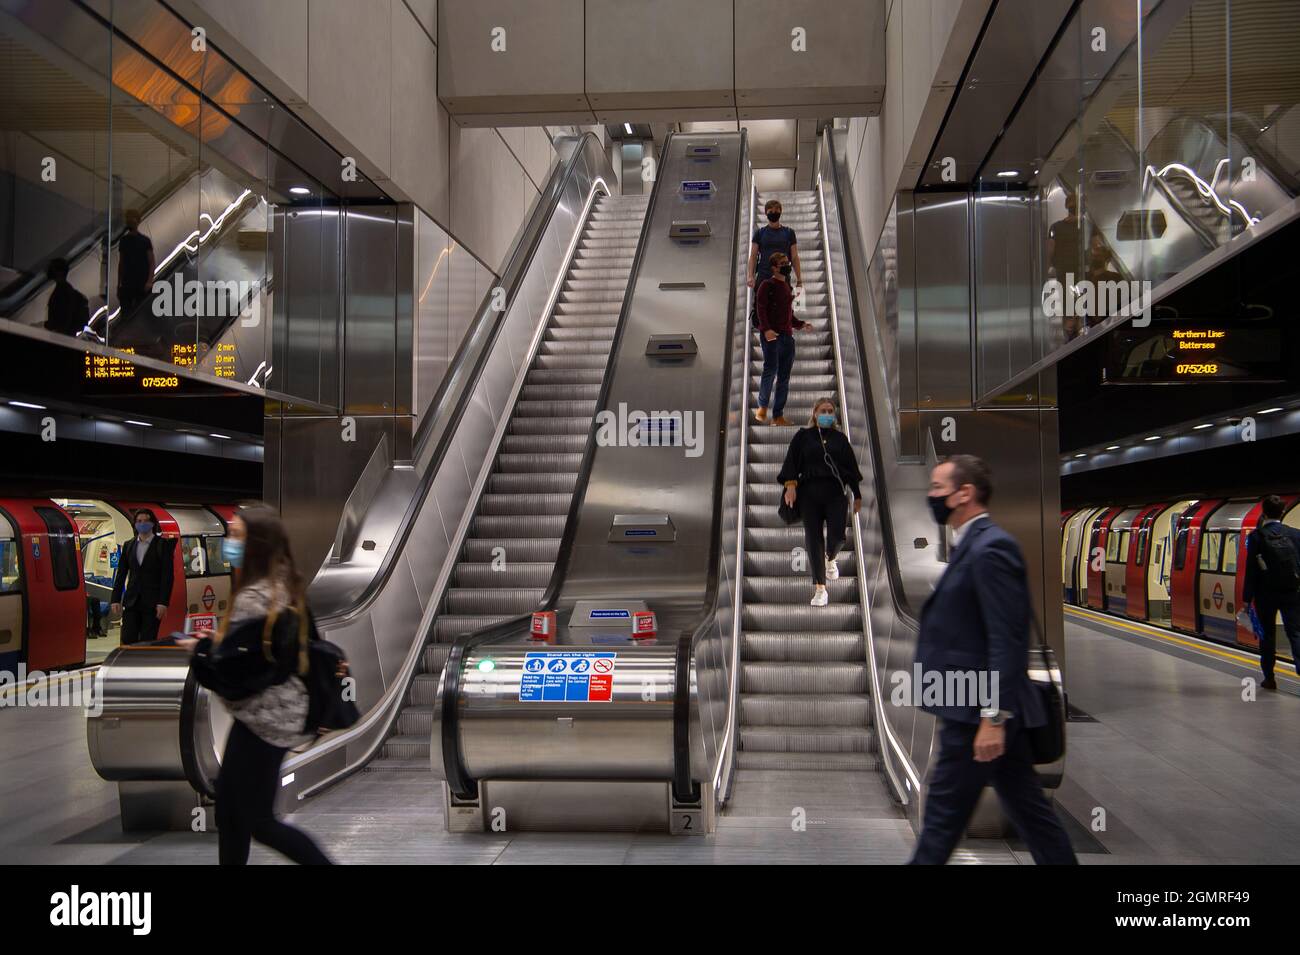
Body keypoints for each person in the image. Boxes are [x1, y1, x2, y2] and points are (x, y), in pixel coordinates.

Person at [909, 454, 1077, 865]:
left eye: (937, 488)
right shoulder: (974, 545)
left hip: (975, 715)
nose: (931, 496)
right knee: (1032, 816)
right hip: (982, 712)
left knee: (941, 825)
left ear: (963, 493)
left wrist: (992, 717)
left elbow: (1007, 640)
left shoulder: (991, 548)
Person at [183, 506, 333, 865]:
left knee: (257, 820)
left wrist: (201, 650)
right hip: (270, 716)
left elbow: (236, 673)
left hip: (265, 720)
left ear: (255, 546)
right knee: (232, 813)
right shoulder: (282, 585)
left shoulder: (254, 598)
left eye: (236, 535)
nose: (229, 542)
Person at [778, 398, 863, 607]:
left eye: (830, 411)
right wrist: (790, 487)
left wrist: (857, 494)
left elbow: (851, 469)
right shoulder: (803, 437)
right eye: (823, 410)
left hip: (835, 492)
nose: (827, 414)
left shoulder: (840, 439)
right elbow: (791, 462)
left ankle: (831, 559)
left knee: (838, 536)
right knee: (813, 539)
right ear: (814, 413)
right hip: (809, 493)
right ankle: (820, 589)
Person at [1242, 494, 1300, 690]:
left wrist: (1247, 599)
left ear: (1264, 513)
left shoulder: (1256, 537)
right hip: (1292, 592)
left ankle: (1269, 678)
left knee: (1267, 635)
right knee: (1296, 632)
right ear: (1283, 513)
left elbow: (1251, 571)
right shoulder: (1296, 535)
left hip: (1265, 594)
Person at [754, 251, 808, 425]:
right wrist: (766, 330)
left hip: (787, 337)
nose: (787, 266)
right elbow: (760, 309)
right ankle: (762, 406)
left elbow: (789, 315)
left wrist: (800, 324)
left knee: (784, 378)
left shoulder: (788, 288)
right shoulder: (766, 285)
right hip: (772, 336)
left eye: (787, 263)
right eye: (782, 264)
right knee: (770, 371)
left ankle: (778, 416)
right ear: (774, 268)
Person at [109, 508, 174, 645]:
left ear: (153, 524)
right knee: (128, 638)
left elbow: (167, 576)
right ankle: (129, 666)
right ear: (135, 524)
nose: (142, 524)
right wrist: (115, 599)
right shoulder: (128, 545)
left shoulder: (162, 545)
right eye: (139, 521)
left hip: (153, 603)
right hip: (132, 602)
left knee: (148, 640)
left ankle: (145, 665)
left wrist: (163, 602)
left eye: (146, 521)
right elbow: (121, 574)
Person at [747, 197, 802, 314]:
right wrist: (750, 276)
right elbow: (753, 256)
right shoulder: (760, 233)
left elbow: (795, 257)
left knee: (784, 311)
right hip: (763, 277)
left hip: (783, 277)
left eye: (777, 210)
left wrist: (799, 279)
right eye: (770, 211)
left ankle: (785, 330)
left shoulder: (789, 233)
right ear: (766, 213)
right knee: (763, 311)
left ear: (781, 212)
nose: (774, 213)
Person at [116, 208, 155, 320]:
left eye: (132, 217)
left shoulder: (144, 241)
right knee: (127, 314)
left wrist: (149, 281)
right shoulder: (124, 240)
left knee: (140, 314)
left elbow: (151, 262)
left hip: (140, 284)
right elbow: (121, 263)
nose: (129, 220)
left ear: (137, 220)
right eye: (128, 217)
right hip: (128, 284)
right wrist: (119, 284)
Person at [44, 258, 89, 337]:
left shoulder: (62, 293)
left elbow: (64, 319)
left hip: (62, 338)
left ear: (59, 272)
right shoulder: (65, 290)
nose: (49, 271)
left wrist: (49, 325)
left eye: (52, 268)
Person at [1047, 191, 1081, 284]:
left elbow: (1050, 249)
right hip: (1066, 271)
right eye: (1072, 203)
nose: (1073, 206)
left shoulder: (1087, 225)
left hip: (1079, 270)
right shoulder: (1055, 227)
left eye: (1075, 203)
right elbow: (1050, 249)